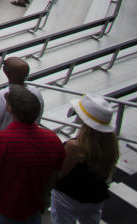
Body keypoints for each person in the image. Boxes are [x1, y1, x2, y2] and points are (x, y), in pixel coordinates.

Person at [0, 86, 63, 224]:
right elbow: (54, 175)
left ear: (10, 109)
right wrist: (44, 197)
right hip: (32, 208)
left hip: (0, 207)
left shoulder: (0, 139)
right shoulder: (53, 140)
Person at [51, 94, 119, 224]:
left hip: (68, 195)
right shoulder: (110, 144)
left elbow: (60, 174)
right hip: (95, 196)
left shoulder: (75, 147)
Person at [0, 57, 46, 151]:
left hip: (4, 143)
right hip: (28, 141)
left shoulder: (1, 96)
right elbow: (38, 116)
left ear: (6, 72)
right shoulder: (36, 92)